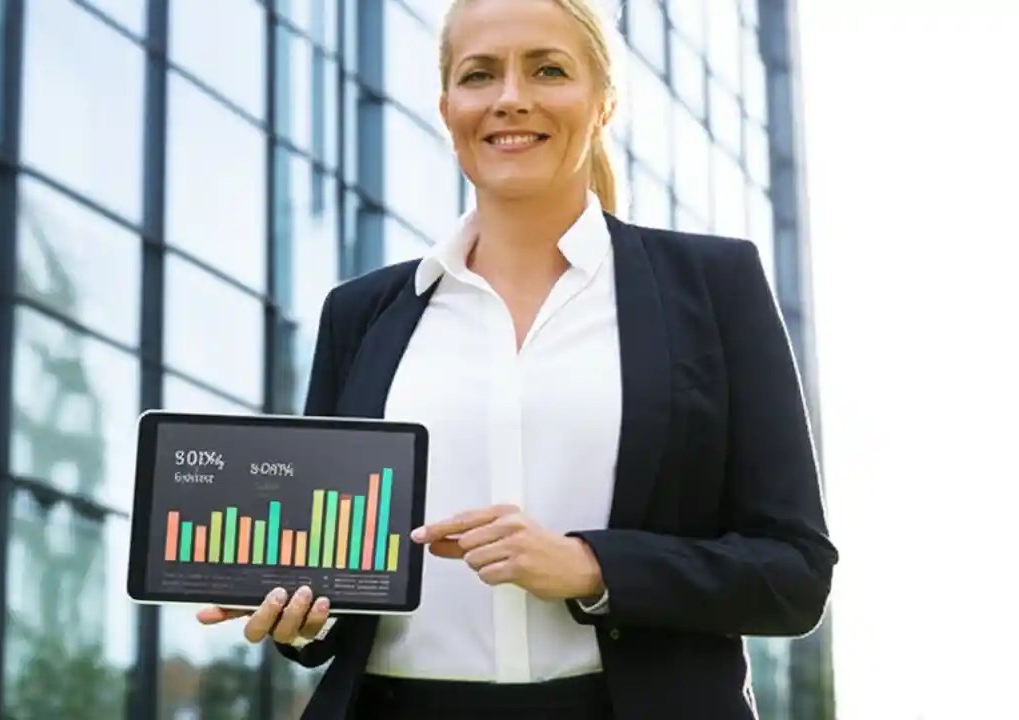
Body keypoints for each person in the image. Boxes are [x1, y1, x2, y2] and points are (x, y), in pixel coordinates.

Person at [195, 0, 838, 717]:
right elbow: (332, 596)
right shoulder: (362, 313)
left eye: (548, 69)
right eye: (480, 75)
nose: (510, 98)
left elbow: (794, 573)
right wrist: (304, 620)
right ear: (448, 109)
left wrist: (592, 566)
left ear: (603, 102)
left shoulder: (714, 288)